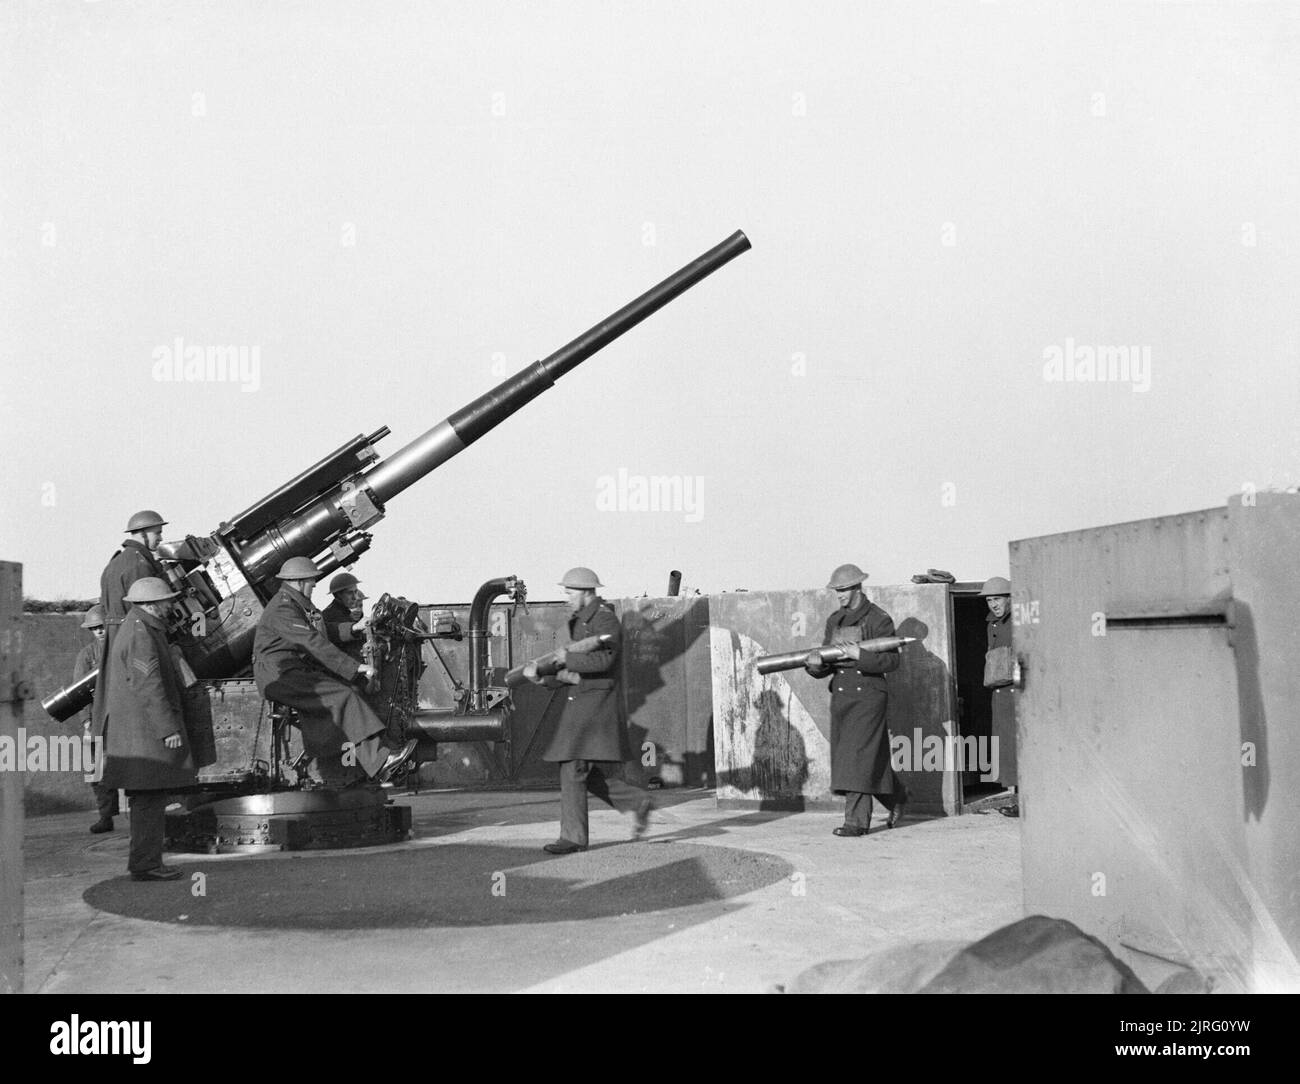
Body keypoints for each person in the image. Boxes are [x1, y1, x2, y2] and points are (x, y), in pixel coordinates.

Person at [252, 556, 415, 785]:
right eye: (311, 582)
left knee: (350, 692)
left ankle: (373, 762)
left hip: (293, 671)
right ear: (299, 582)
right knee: (344, 696)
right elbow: (313, 642)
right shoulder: (283, 608)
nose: (313, 587)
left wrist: (354, 628)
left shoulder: (293, 604)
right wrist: (356, 666)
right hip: (280, 675)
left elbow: (321, 630)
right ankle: (380, 761)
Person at [527, 567, 652, 854]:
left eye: (570, 593)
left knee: (572, 765)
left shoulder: (604, 618)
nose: (567, 598)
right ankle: (636, 803)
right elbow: (575, 666)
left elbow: (604, 660)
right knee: (578, 769)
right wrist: (544, 677)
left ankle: (573, 838)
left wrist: (566, 658)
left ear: (586, 592)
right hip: (584, 700)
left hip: (595, 705)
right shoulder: (584, 620)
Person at [98, 577, 196, 881]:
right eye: (167, 601)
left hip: (136, 736)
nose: (170, 605)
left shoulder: (138, 628)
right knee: (149, 802)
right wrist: (168, 728)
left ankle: (145, 862)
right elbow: (149, 686)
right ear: (152, 603)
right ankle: (146, 865)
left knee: (147, 801)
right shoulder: (141, 634)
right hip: (144, 737)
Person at [807, 563, 906, 837]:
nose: (838, 595)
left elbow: (892, 660)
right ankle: (895, 799)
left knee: (858, 759)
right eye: (836, 590)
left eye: (842, 590)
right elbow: (826, 663)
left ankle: (856, 822)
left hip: (868, 697)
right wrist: (815, 665)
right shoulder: (834, 620)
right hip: (842, 697)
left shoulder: (878, 619)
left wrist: (859, 656)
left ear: (857, 588)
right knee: (853, 759)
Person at [91, 510, 171, 755]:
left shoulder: (118, 561)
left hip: (117, 633)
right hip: (135, 633)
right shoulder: (139, 564)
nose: (160, 538)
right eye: (157, 533)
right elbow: (148, 603)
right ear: (143, 534)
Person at [73, 604, 118, 833]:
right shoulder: (87, 655)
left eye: (102, 627)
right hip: (97, 719)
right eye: (95, 628)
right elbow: (79, 693)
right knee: (95, 770)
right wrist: (87, 722)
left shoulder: (119, 648)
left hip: (120, 717)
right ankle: (106, 816)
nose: (100, 631)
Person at [980, 576, 1018, 816]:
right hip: (1000, 693)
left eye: (998, 599)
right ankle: (1017, 799)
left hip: (1018, 693)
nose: (993, 605)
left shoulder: (1019, 621)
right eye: (990, 600)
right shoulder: (991, 625)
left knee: (1021, 748)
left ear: (1010, 598)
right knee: (1007, 749)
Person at [321, 572, 368, 664]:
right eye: (350, 593)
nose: (355, 597)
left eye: (355, 592)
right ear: (338, 595)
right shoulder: (330, 615)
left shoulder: (345, 612)